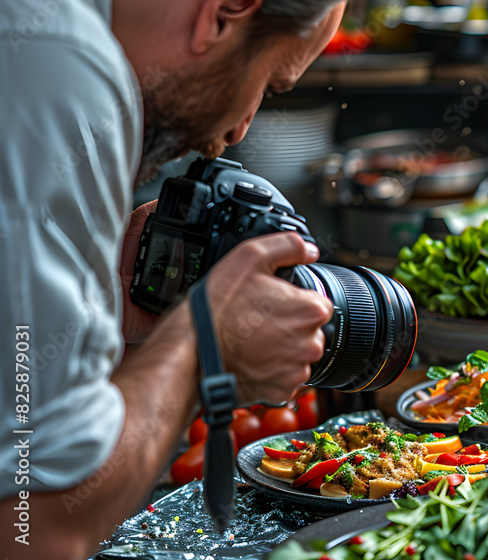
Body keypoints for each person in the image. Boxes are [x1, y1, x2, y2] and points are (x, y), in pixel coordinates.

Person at [0, 0, 347, 557]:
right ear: (223, 12)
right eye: (269, 83)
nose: (236, 131)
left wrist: (98, 309)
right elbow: (30, 531)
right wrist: (203, 346)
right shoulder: (66, 67)